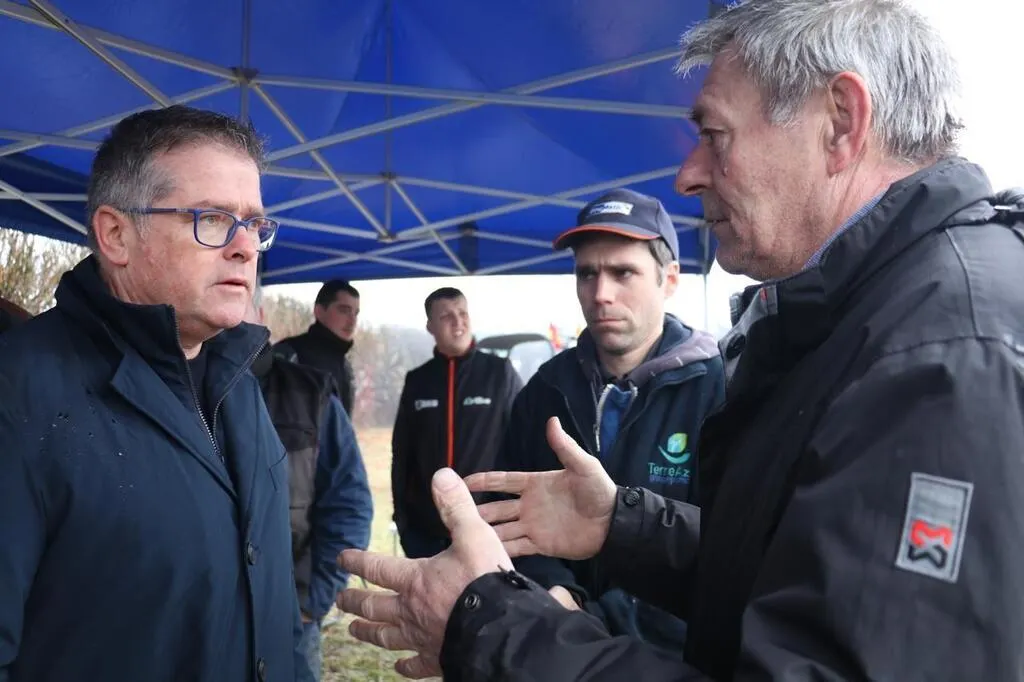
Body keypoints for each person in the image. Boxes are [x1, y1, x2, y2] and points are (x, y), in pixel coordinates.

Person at [333, 0, 1024, 679]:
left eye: (715, 134)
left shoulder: (942, 354)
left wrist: (493, 624)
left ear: (840, 122)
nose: (687, 173)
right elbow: (794, 577)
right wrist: (623, 528)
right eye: (587, 274)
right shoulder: (874, 318)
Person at [0, 105, 312, 682]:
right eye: (214, 218)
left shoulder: (237, 383)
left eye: (255, 224)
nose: (245, 247)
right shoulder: (19, 396)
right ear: (116, 234)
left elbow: (275, 618)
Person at [499, 188, 724, 650]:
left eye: (624, 273)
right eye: (587, 274)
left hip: (667, 660)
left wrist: (597, 618)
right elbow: (507, 514)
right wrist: (557, 593)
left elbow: (728, 550)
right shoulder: (545, 390)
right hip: (552, 646)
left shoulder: (719, 389)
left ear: (670, 280)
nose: (601, 294)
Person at [245, 286, 373, 682]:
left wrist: (314, 597)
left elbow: (348, 500)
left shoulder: (310, 391)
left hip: (292, 611)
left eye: (238, 295)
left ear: (260, 312)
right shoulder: (165, 392)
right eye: (343, 309)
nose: (351, 318)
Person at [391, 287, 523, 558]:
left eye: (462, 313)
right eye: (446, 316)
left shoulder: (499, 373)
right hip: (427, 534)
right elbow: (402, 455)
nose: (458, 321)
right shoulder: (418, 380)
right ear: (430, 326)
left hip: (490, 528)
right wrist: (405, 523)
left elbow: (525, 444)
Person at [275, 279, 360, 415]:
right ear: (319, 311)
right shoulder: (289, 354)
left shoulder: (345, 365)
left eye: (356, 313)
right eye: (344, 311)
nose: (352, 321)